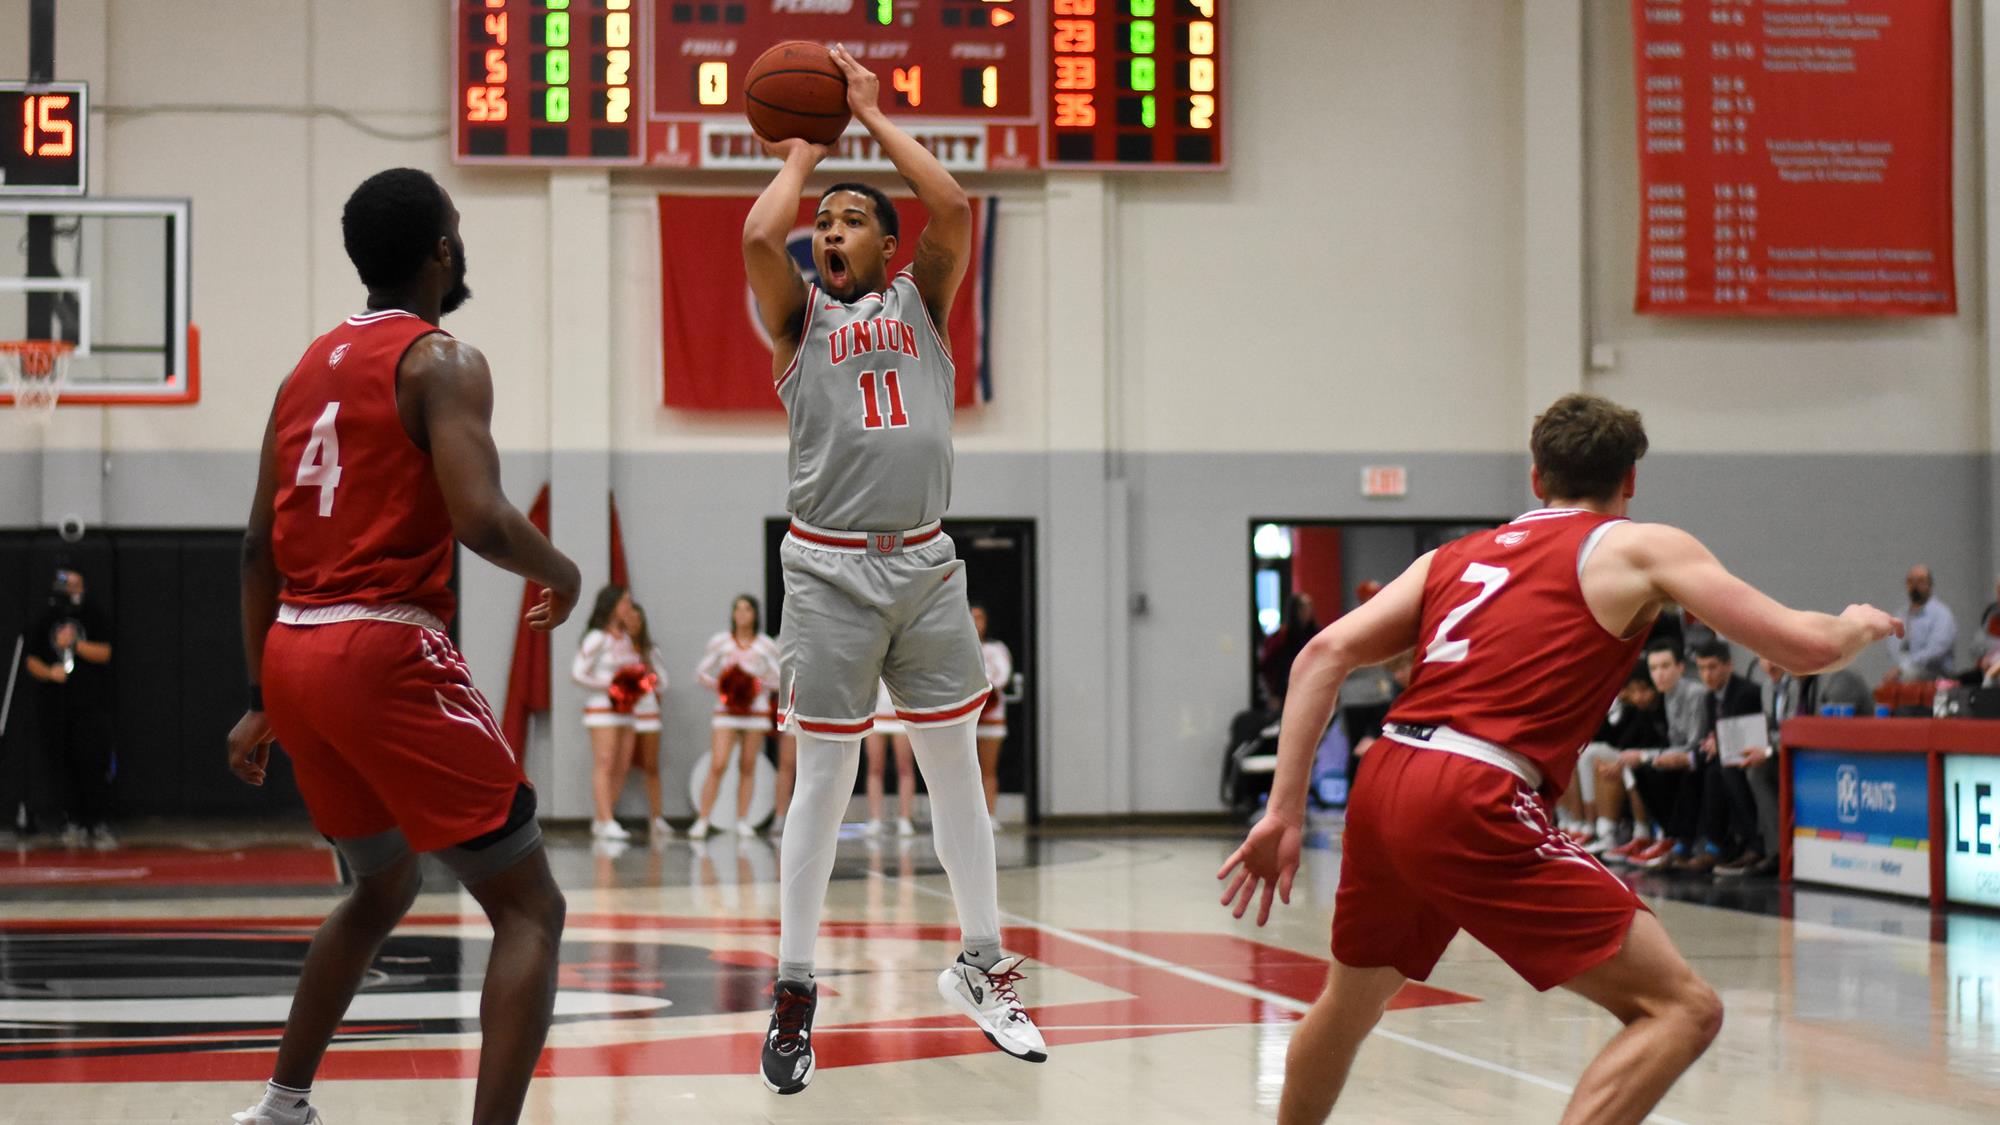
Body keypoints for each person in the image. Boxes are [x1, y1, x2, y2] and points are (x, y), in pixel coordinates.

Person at [1217, 393, 1899, 1125]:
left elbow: (1322, 654)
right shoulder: (1637, 548)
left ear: (1537, 477)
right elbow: (1804, 646)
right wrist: (1856, 627)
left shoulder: (1455, 557)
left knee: (1349, 1005)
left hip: (1387, 776)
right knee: (1681, 1008)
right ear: (1630, 480)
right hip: (1473, 786)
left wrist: (1283, 813)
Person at [225, 167, 581, 1125]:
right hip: (382, 646)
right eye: (456, 228)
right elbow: (483, 518)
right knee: (531, 907)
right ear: (442, 251)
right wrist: (564, 571)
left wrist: (259, 696)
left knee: (382, 884)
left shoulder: (303, 370)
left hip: (293, 651)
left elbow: (257, 545)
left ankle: (282, 1104)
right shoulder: (441, 361)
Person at [742, 45, 1045, 1094]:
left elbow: (952, 205)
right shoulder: (799, 319)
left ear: (887, 242)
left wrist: (869, 117)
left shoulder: (924, 302)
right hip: (827, 571)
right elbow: (758, 236)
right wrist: (802, 151)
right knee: (822, 784)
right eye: (822, 223)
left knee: (955, 769)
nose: (829, 232)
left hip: (925, 565)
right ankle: (794, 988)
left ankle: (979, 964)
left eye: (850, 220)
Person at [23, 567, 115, 847]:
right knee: (63, 766)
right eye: (68, 586)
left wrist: (75, 644)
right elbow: (31, 659)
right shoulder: (46, 618)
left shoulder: (93, 614)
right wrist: (50, 673)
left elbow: (105, 652)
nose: (72, 592)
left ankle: (96, 822)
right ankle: (71, 821)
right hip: (56, 708)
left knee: (93, 763)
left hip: (89, 706)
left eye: (77, 586)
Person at [691, 594, 781, 839]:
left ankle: (742, 819)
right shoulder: (721, 642)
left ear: (755, 614)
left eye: (747, 609)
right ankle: (703, 819)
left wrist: (755, 685)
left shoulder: (765, 645)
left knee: (748, 765)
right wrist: (725, 686)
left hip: (755, 711)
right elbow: (701, 673)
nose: (742, 614)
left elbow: (778, 678)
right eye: (737, 609)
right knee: (718, 763)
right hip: (727, 712)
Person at [572, 585, 645, 841]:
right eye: (624, 602)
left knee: (622, 764)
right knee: (604, 761)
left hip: (626, 709)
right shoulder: (597, 637)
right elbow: (578, 673)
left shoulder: (626, 638)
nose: (628, 607)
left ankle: (604, 816)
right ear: (611, 605)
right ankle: (606, 820)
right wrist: (611, 685)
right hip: (602, 709)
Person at [626, 602, 672, 844]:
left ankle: (656, 818)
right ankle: (605, 817)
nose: (633, 623)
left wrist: (650, 679)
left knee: (651, 766)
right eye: (629, 618)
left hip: (648, 714)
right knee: (617, 766)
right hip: (623, 715)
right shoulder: (616, 647)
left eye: (637, 619)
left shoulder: (650, 650)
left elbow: (663, 683)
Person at [1882, 564, 1957, 683]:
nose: (1915, 585)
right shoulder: (1900, 615)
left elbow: (1936, 650)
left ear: (1930, 585)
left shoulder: (1942, 614)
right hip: (1904, 674)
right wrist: (1901, 667)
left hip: (1936, 677)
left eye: (1921, 581)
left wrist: (1904, 667)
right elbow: (1892, 646)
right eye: (1911, 581)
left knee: (1909, 676)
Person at [863, 680, 919, 837]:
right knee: (874, 768)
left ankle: (905, 818)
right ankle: (875, 819)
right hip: (875, 715)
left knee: (905, 768)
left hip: (902, 715)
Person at [972, 602, 1012, 818]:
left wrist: (985, 686)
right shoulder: (957, 648)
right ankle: (969, 817)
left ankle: (990, 815)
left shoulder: (996, 649)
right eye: (971, 617)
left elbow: (1002, 676)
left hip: (991, 715)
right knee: (966, 772)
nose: (975, 622)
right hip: (966, 717)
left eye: (979, 618)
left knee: (988, 769)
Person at [1259, 592, 1319, 706]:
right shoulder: (1281, 636)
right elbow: (1268, 665)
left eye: (1309, 606)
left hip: (1312, 687)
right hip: (1286, 689)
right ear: (1296, 610)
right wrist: (1273, 693)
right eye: (1304, 607)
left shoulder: (1316, 634)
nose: (1308, 611)